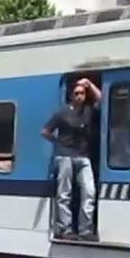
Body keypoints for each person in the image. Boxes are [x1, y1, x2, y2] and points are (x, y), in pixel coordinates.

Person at [41, 78, 102, 241]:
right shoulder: (61, 113)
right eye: (76, 93)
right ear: (71, 96)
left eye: (82, 93)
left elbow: (102, 99)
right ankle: (65, 229)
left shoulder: (89, 111)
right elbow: (45, 131)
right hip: (65, 156)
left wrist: (90, 84)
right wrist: (57, 142)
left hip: (83, 157)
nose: (80, 96)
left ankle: (85, 230)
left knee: (89, 192)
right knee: (64, 194)